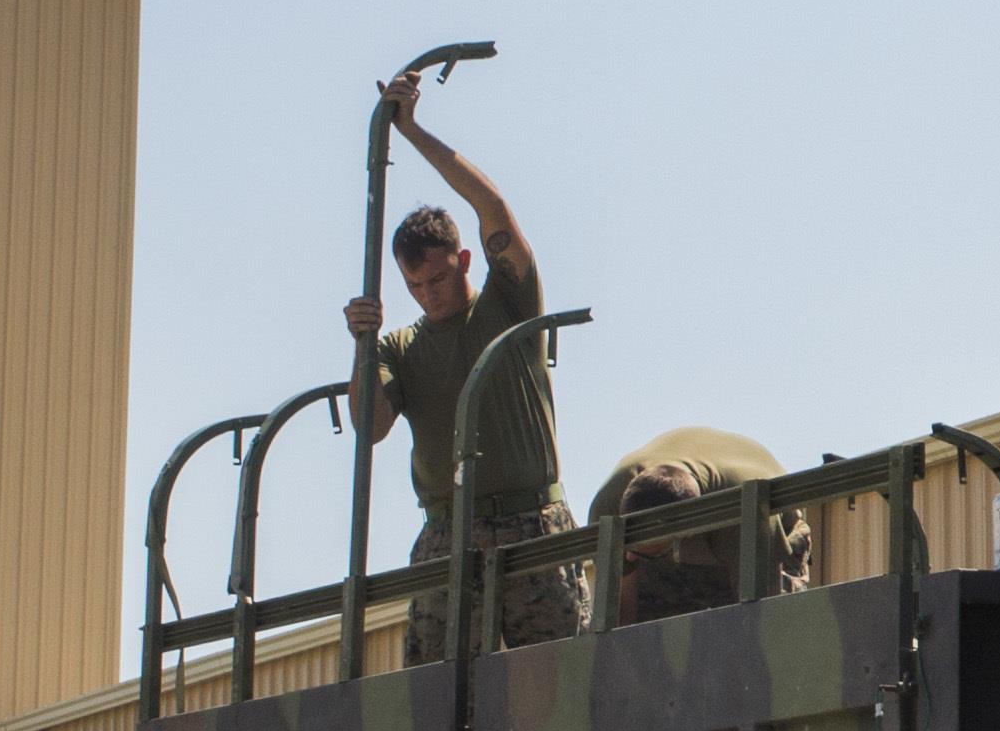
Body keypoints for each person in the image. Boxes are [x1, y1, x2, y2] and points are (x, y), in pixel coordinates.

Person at [345, 73, 578, 661]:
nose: (428, 293)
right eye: (415, 285)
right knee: (437, 696)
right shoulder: (400, 346)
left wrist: (411, 130)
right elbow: (369, 427)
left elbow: (491, 205)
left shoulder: (508, 299)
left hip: (532, 523)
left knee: (557, 678)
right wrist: (363, 345)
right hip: (448, 533)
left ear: (465, 259)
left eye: (439, 278)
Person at [593, 423, 816, 623]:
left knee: (768, 621)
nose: (630, 557)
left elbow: (764, 614)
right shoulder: (607, 508)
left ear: (688, 535)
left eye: (643, 554)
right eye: (630, 547)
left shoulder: (743, 516)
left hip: (768, 529)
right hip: (695, 528)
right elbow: (620, 616)